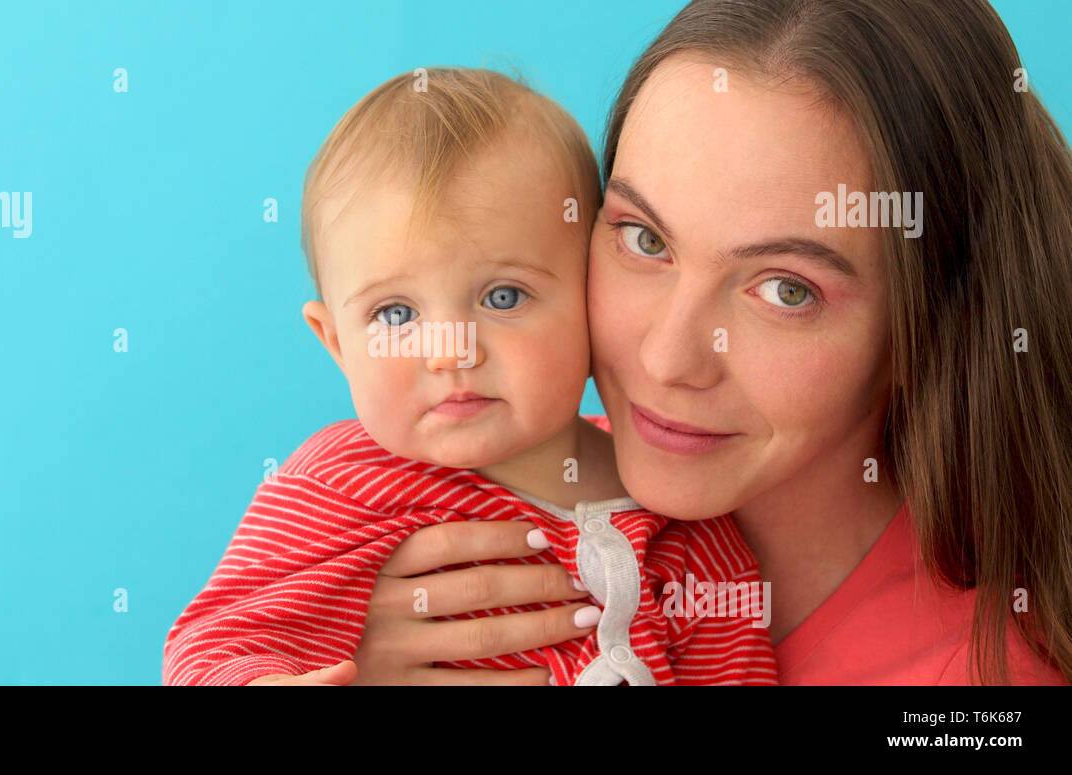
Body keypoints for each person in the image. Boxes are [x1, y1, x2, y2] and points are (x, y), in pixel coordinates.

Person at [346, 0, 1072, 686]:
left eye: (788, 290)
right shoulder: (485, 481)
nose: (666, 360)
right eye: (645, 239)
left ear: (933, 318)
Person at [162, 67, 778, 686]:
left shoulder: (680, 512)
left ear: (592, 298)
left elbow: (740, 667)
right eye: (396, 314)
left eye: (504, 297)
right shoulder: (337, 486)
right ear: (336, 343)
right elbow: (213, 646)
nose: (450, 351)